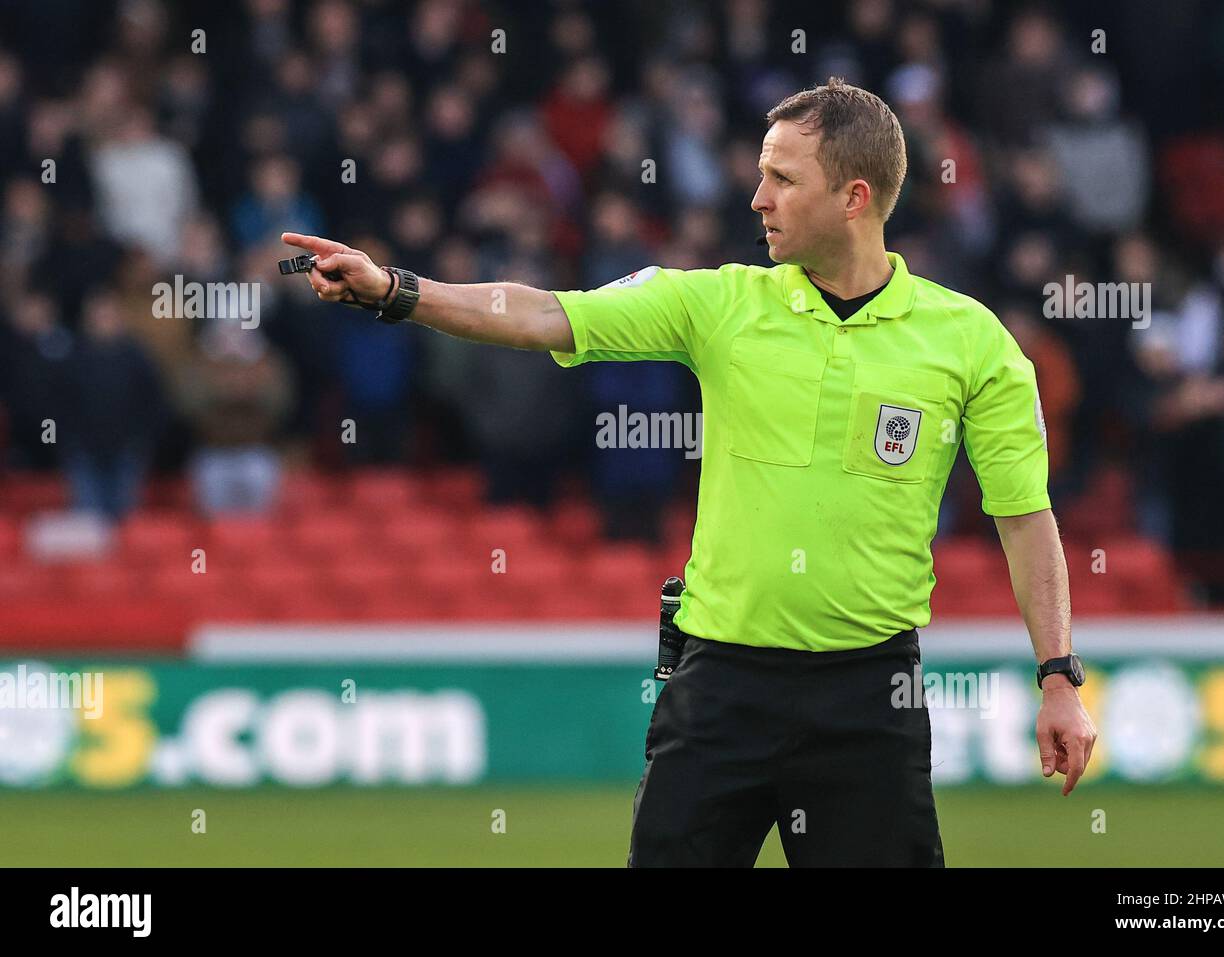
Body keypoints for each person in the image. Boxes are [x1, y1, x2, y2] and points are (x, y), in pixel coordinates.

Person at [281, 77, 1097, 868]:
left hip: (869, 697)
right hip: (720, 688)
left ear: (853, 197)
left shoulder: (972, 342)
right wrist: (395, 289)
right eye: (758, 175)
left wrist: (1058, 675)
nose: (758, 198)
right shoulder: (720, 305)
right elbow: (541, 311)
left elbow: (1025, 518)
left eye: (781, 178)